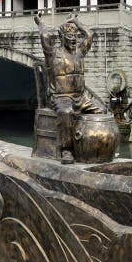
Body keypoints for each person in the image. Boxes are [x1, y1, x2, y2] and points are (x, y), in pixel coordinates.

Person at [34, 12, 103, 163]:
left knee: (101, 111)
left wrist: (76, 22)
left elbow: (89, 35)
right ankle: (66, 150)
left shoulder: (80, 51)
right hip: (61, 98)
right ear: (62, 37)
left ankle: (91, 147)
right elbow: (45, 39)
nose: (73, 39)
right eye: (70, 36)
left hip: (81, 97)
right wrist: (40, 24)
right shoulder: (54, 54)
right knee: (66, 112)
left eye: (75, 36)